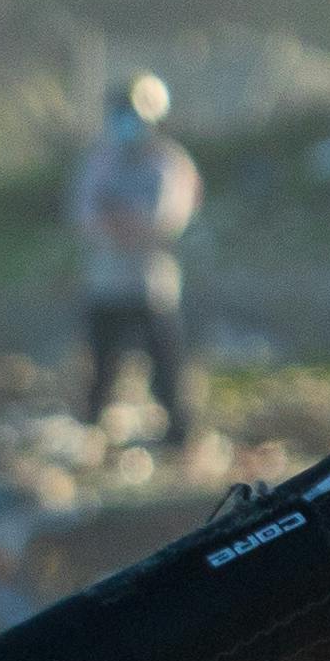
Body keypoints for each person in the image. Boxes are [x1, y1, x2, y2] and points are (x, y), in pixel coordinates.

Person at [69, 71, 205, 446]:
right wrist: (126, 223)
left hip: (151, 285)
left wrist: (122, 221)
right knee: (99, 368)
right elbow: (85, 218)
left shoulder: (171, 163)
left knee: (166, 368)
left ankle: (179, 436)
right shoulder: (99, 161)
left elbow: (166, 219)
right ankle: (91, 435)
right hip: (105, 282)